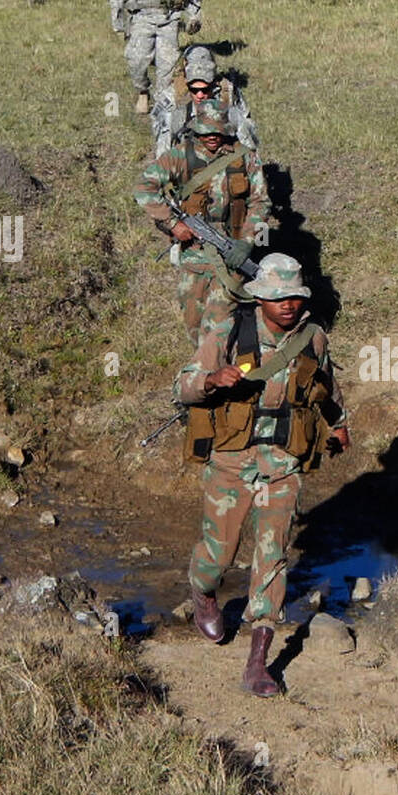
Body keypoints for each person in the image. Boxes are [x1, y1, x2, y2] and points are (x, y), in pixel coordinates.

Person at [173, 253, 350, 696]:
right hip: (232, 458)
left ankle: (258, 662)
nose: (286, 305)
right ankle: (203, 592)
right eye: (277, 298)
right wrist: (214, 379)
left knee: (272, 556)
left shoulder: (313, 336)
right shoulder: (230, 329)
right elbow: (185, 384)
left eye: (293, 296)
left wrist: (340, 423)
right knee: (219, 552)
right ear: (259, 298)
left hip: (282, 462)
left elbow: (325, 384)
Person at [134, 97, 270, 344]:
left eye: (217, 131)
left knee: (222, 322)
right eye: (205, 131)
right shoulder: (179, 156)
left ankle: (227, 368)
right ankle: (203, 373)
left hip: (232, 250)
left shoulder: (245, 157)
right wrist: (173, 224)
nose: (212, 137)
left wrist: (247, 243)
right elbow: (144, 188)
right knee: (194, 322)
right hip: (194, 254)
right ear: (196, 128)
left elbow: (261, 202)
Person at [116, 0, 200, 114]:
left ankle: (162, 107)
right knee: (136, 60)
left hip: (168, 20)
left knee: (167, 67)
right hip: (142, 19)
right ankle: (143, 91)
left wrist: (194, 15)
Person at [152, 45, 259, 157]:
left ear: (213, 84)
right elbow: (161, 134)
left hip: (224, 149)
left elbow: (247, 125)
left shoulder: (227, 93)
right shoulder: (173, 97)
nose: (200, 95)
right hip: (186, 153)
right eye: (194, 90)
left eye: (205, 89)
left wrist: (251, 163)